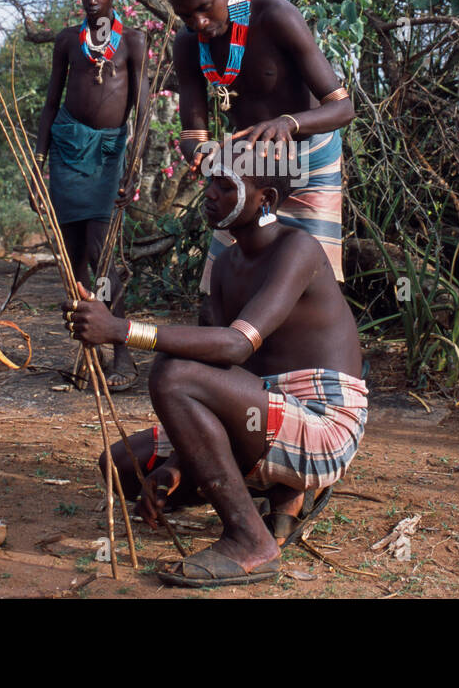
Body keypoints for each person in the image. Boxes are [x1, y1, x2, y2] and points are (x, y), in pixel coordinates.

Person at [63, 139, 367, 587]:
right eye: (210, 182)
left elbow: (234, 348)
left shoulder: (297, 249)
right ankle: (278, 490)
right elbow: (222, 377)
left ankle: (251, 539)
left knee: (172, 374)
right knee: (121, 467)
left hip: (321, 423)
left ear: (267, 200)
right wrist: (177, 466)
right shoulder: (225, 266)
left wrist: (122, 331)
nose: (210, 194)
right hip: (257, 413)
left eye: (226, 185)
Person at [165, 0, 354, 298]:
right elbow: (192, 133)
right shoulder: (189, 44)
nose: (199, 22)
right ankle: (232, 349)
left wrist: (289, 123)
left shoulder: (274, 16)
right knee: (223, 282)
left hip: (311, 159)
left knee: (316, 283)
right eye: (186, 16)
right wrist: (205, 155)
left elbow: (342, 108)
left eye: (204, 8)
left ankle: (326, 353)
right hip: (248, 166)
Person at [35, 0, 148, 389]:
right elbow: (50, 104)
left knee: (102, 254)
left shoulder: (133, 42)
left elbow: (142, 111)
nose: (92, 0)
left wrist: (132, 168)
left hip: (106, 154)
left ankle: (123, 355)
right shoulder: (67, 41)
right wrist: (38, 161)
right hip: (65, 148)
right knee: (73, 257)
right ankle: (91, 354)